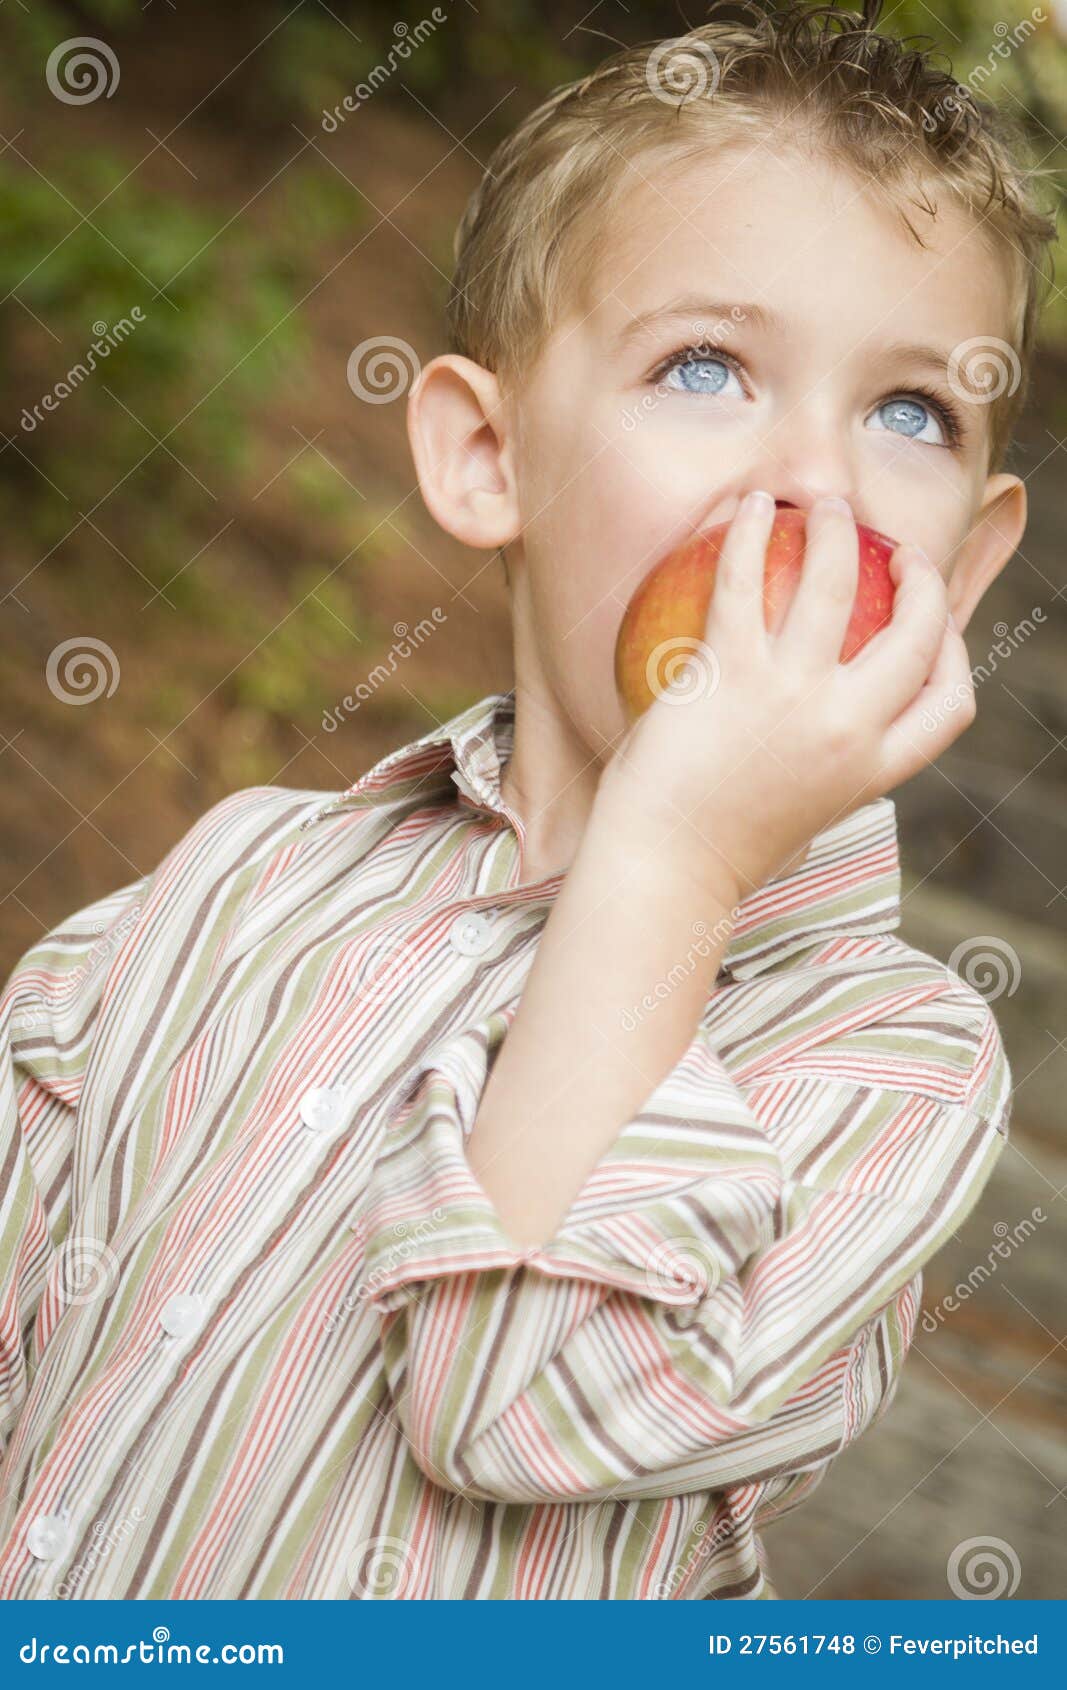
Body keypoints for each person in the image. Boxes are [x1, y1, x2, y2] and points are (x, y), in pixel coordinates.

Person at [0, 0, 1055, 1600]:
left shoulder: (891, 1062)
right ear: (487, 455)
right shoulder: (238, 879)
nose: (816, 483)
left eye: (911, 410)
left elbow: (514, 1404)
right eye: (707, 365)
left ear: (967, 567)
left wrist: (676, 850)